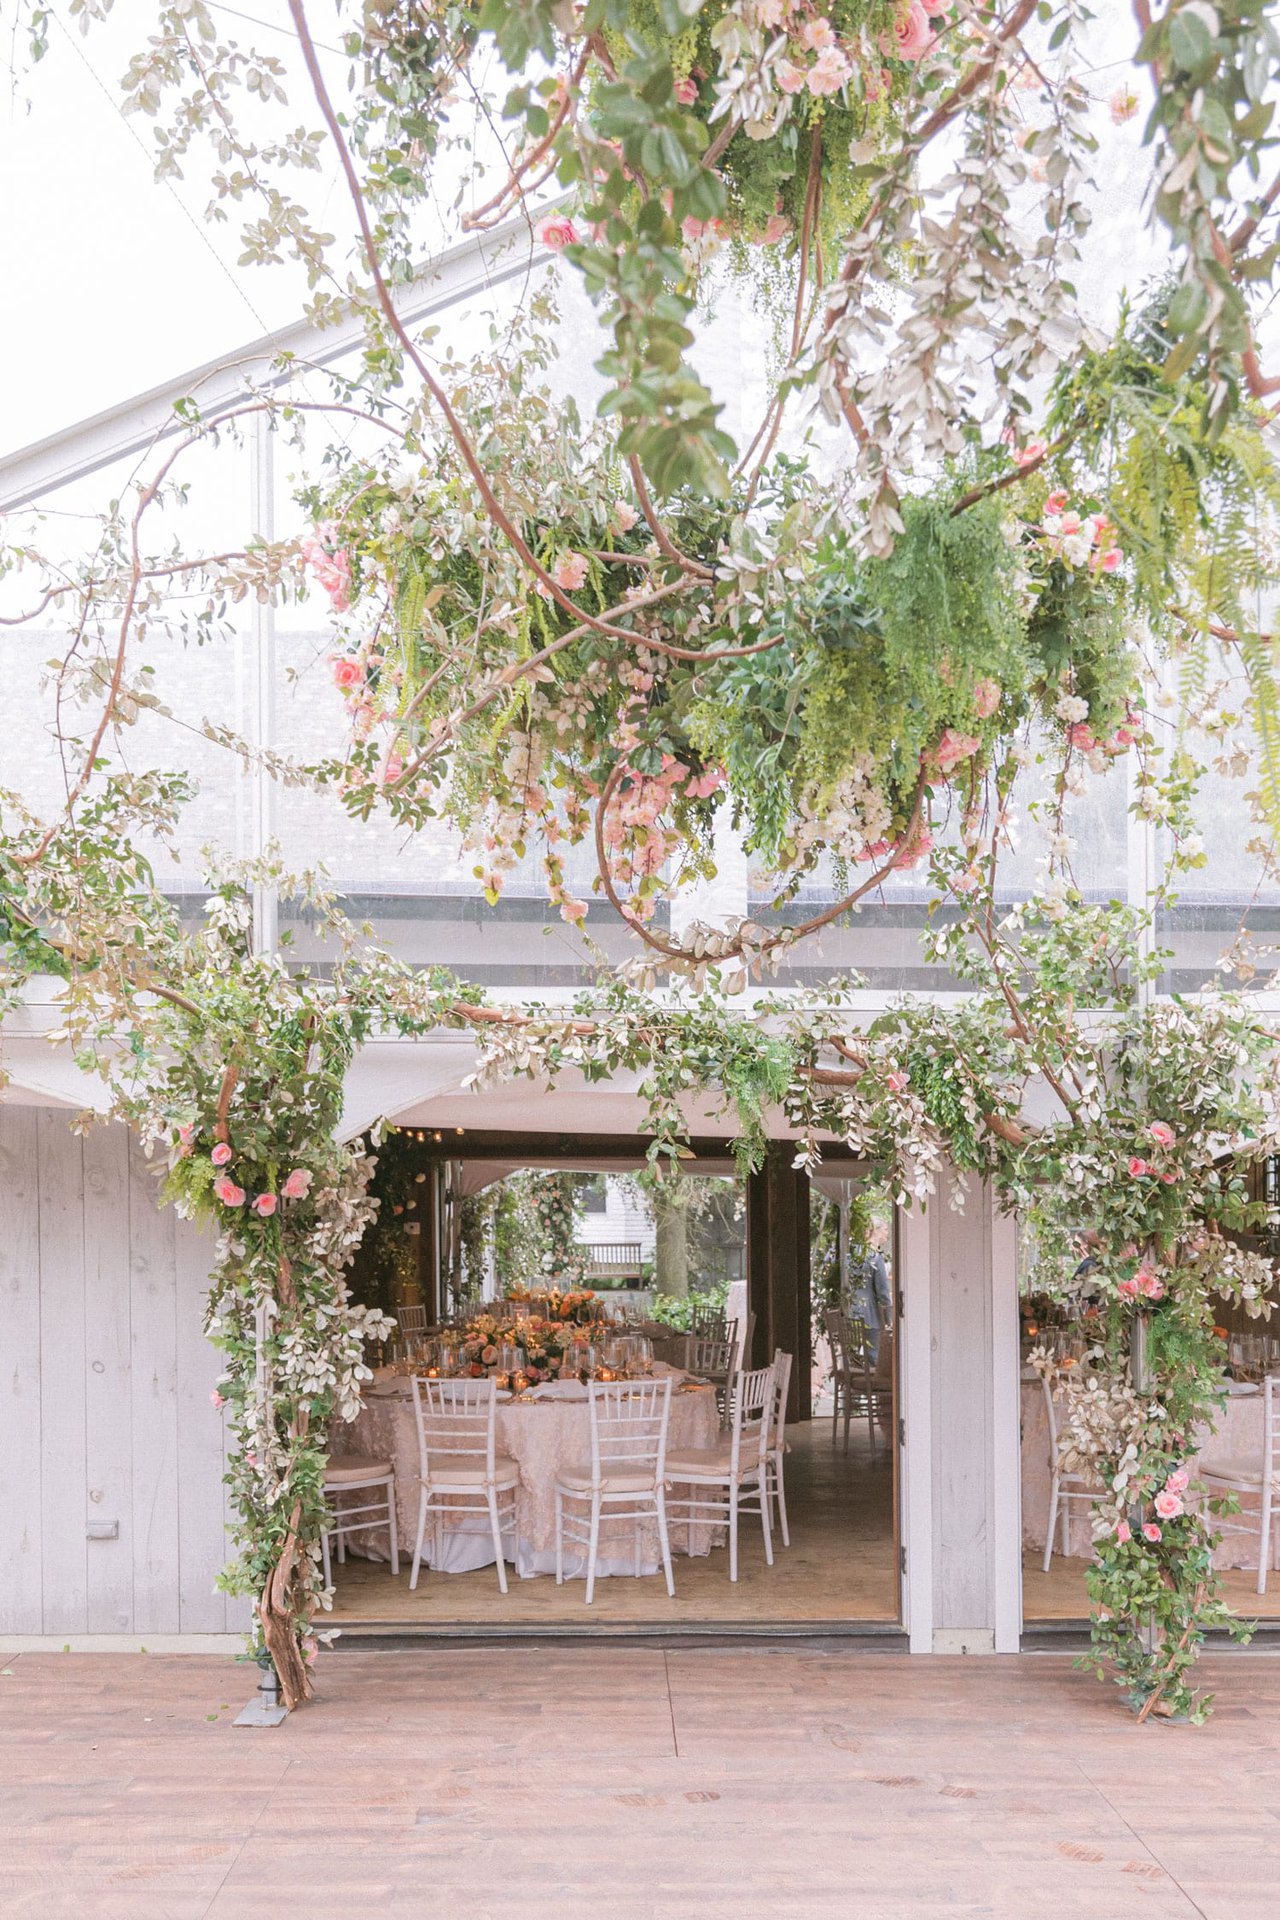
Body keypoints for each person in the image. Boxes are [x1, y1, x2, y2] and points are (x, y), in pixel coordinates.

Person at [858, 1220, 893, 1365]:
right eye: (885, 1229)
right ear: (876, 1231)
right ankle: (872, 1384)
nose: (888, 1233)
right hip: (869, 1315)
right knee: (874, 1356)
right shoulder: (875, 1257)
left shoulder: (853, 1253)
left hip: (851, 1313)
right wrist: (889, 1318)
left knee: (853, 1355)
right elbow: (883, 1292)